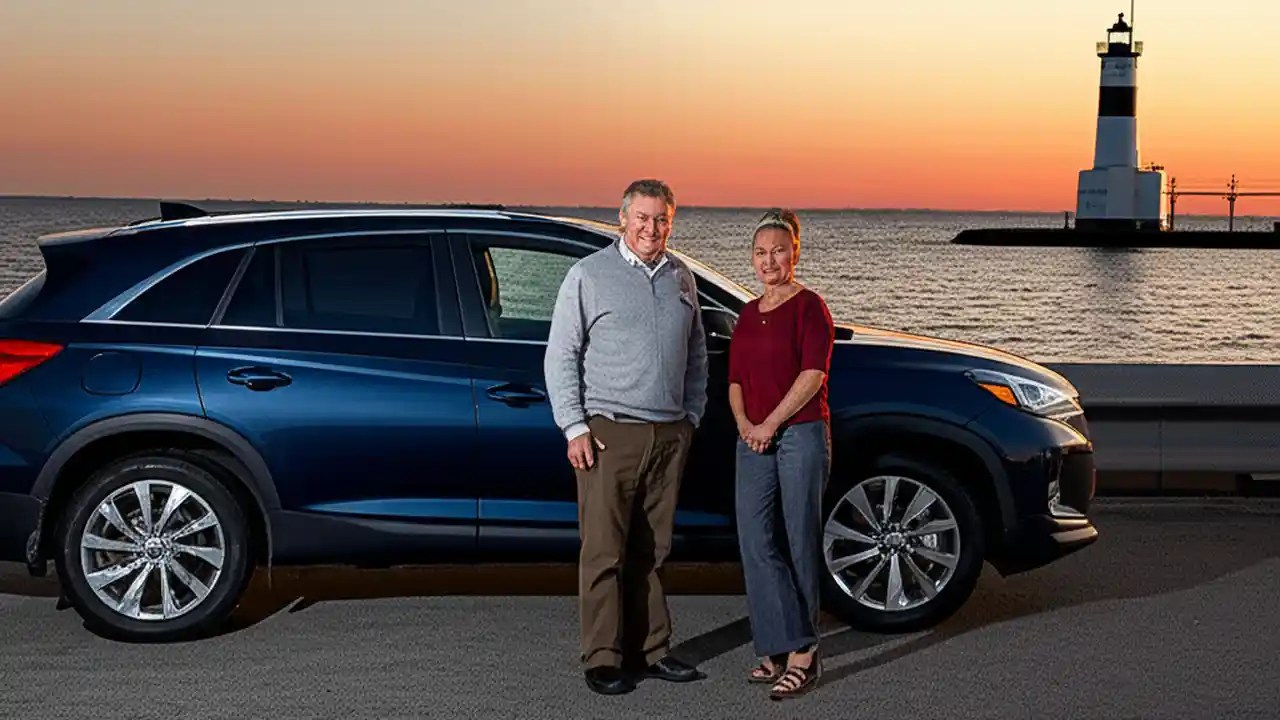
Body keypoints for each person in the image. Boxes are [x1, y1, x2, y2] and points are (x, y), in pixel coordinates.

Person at [544, 178, 709, 696]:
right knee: (603, 551)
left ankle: (652, 649)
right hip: (609, 433)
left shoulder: (682, 277)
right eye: (642, 218)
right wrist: (574, 426)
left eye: (661, 219)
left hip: (668, 434)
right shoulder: (588, 275)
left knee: (652, 550)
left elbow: (698, 355)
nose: (651, 228)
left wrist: (692, 419)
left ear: (671, 223)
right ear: (622, 220)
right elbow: (561, 355)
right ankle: (602, 657)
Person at [727, 208, 834, 701]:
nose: (769, 260)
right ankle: (778, 639)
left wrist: (771, 424)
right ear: (752, 258)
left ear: (795, 253)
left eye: (778, 251)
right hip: (753, 438)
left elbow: (813, 375)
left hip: (800, 434)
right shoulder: (747, 314)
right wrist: (747, 425)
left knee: (798, 538)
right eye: (760, 252)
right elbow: (735, 382)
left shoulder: (811, 307)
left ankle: (803, 655)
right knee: (755, 541)